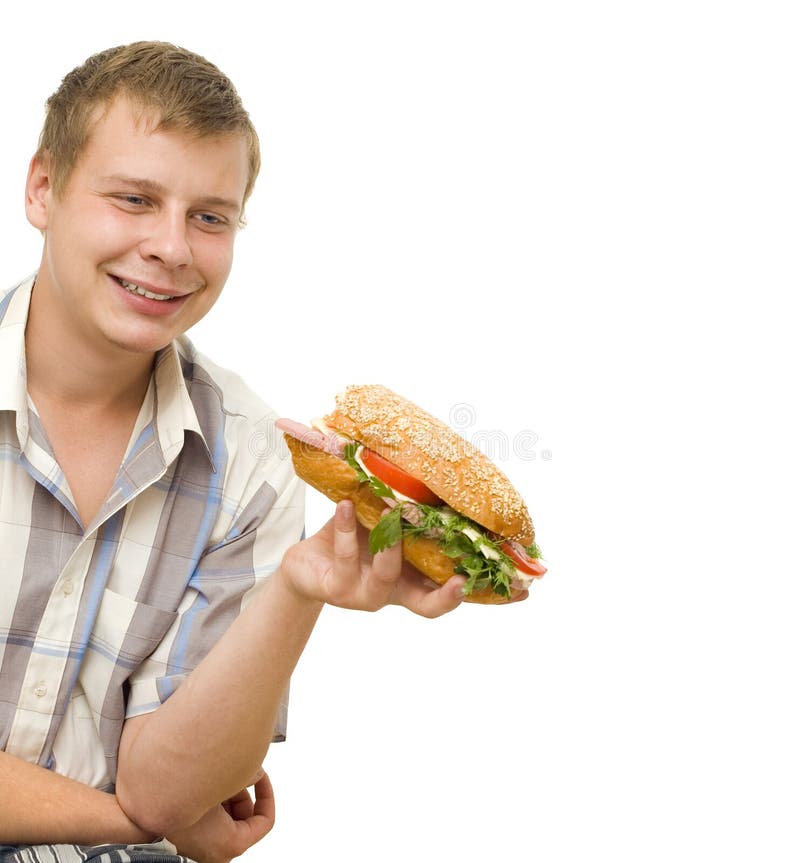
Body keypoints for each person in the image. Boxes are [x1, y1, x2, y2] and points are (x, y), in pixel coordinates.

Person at [0, 41, 466, 863]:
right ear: (44, 188)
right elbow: (157, 811)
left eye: (210, 216)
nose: (173, 248)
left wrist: (298, 590)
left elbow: (170, 786)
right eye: (134, 198)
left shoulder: (254, 457)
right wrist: (125, 818)